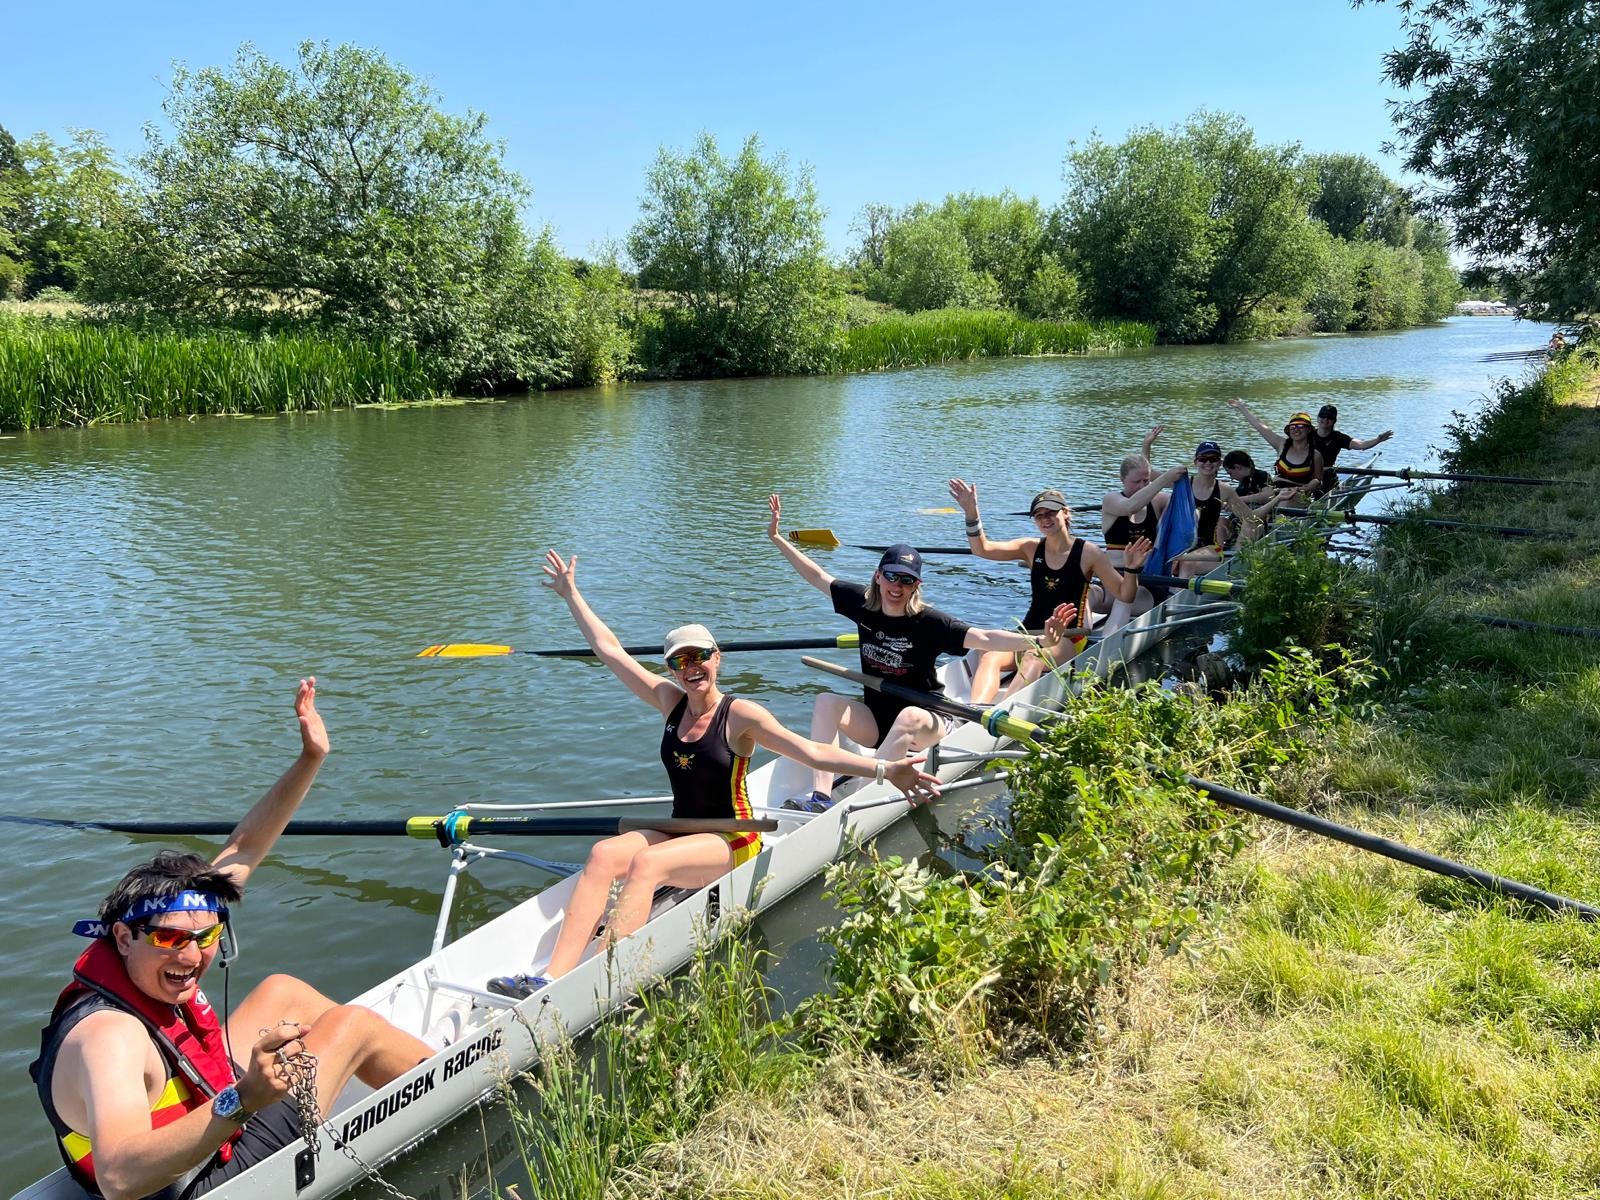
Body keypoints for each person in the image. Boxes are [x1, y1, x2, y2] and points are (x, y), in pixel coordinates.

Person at [31, 680, 434, 1200]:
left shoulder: (147, 942)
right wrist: (243, 1100)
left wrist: (311, 757)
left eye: (207, 937)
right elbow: (118, 1178)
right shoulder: (111, 1036)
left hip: (197, 1139)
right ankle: (460, 1077)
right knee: (353, 1025)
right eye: (172, 940)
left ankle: (414, 1070)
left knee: (282, 991)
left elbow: (244, 845)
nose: (194, 956)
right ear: (124, 938)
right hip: (195, 1187)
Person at [485, 549, 942, 999]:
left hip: (734, 838)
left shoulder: (741, 714)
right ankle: (550, 978)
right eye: (679, 662)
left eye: (698, 656)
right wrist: (571, 594)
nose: (690, 669)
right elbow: (610, 652)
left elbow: (812, 752)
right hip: (683, 830)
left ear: (717, 657)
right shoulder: (670, 701)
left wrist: (886, 768)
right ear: (672, 669)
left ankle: (601, 983)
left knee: (646, 864)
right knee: (605, 854)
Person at [767, 494, 1077, 807]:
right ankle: (821, 796)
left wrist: (1040, 642)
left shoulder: (928, 621)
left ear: (916, 585)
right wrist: (778, 539)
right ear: (878, 576)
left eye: (907, 580)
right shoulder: (861, 603)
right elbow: (818, 576)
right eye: (891, 576)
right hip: (877, 718)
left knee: (910, 716)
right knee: (826, 702)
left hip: (929, 720)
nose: (897, 587)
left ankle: (852, 806)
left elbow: (984, 638)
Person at [949, 479, 1152, 703]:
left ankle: (1003, 714)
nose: (1045, 519)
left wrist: (1132, 569)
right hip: (1030, 632)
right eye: (1039, 515)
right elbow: (981, 549)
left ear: (1065, 513)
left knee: (1032, 657)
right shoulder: (1030, 548)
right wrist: (971, 513)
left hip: (1068, 637)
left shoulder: (1089, 553)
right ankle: (977, 711)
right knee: (989, 655)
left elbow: (1125, 595)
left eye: (1051, 512)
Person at [1098, 424, 1188, 628]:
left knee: (1125, 598)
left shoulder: (1157, 501)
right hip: (1112, 577)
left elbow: (1188, 503)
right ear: (1122, 480)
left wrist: (1177, 549)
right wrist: (1164, 477)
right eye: (1135, 482)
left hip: (1146, 581)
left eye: (1146, 481)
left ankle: (1106, 647)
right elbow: (1132, 505)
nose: (1141, 486)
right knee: (1088, 595)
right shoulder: (1111, 500)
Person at [1174, 441, 1269, 578]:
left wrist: (1238, 549)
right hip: (1183, 546)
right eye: (1203, 459)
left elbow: (1252, 521)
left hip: (1212, 549)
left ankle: (1176, 595)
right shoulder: (1183, 484)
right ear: (1195, 462)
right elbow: (1148, 476)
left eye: (1213, 459)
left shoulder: (1225, 490)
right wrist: (1147, 445)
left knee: (1186, 563)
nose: (1208, 463)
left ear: (1219, 463)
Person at [1225, 399, 1326, 497]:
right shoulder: (1281, 444)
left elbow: (1318, 483)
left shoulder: (1315, 455)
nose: (1296, 430)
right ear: (1289, 430)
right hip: (1275, 494)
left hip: (1297, 495)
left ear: (1308, 429)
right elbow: (1259, 425)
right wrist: (1241, 407)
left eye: (1301, 426)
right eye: (1293, 427)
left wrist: (1311, 485)